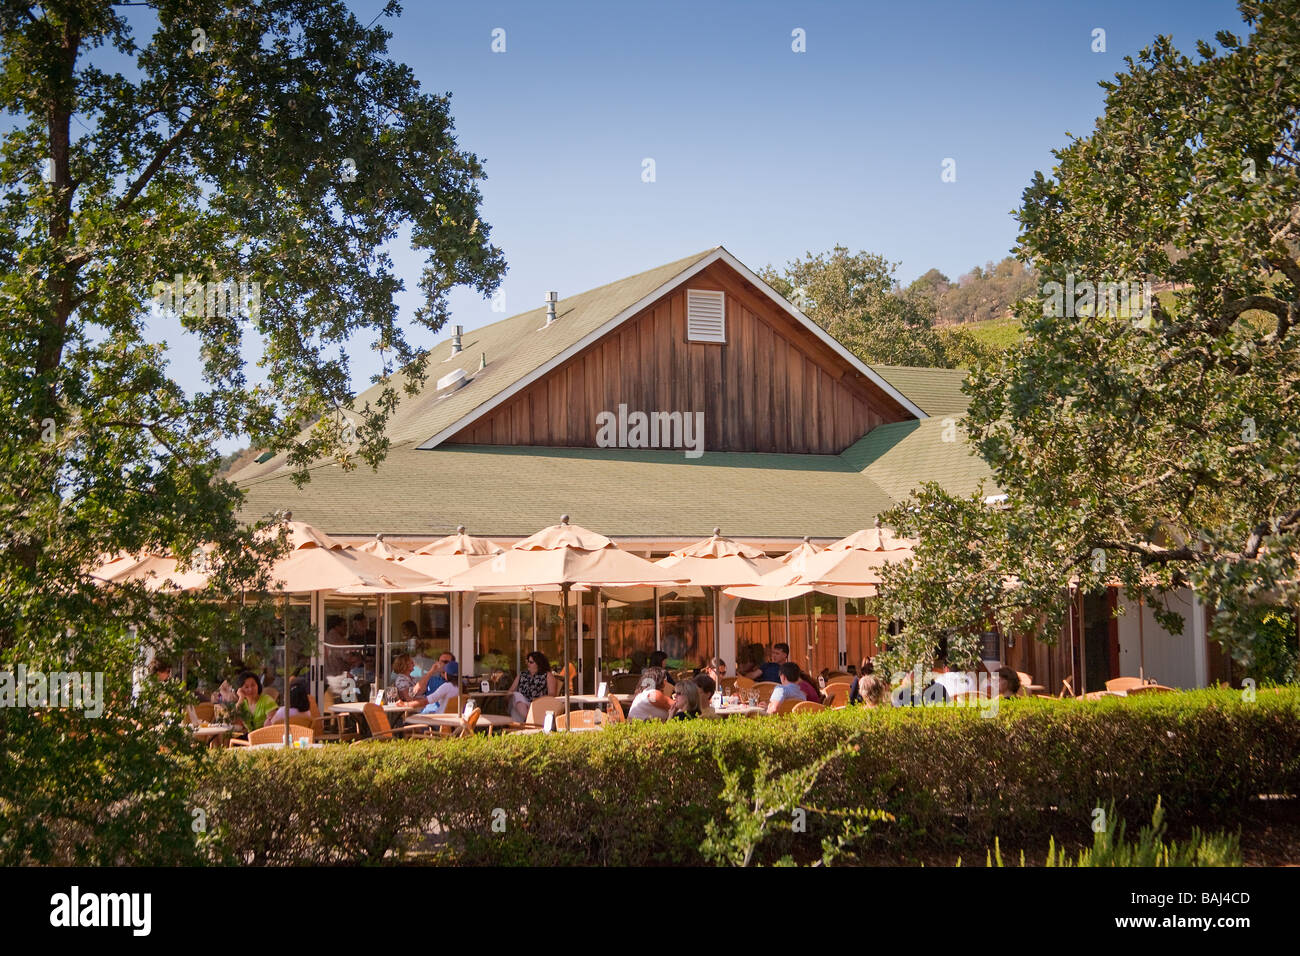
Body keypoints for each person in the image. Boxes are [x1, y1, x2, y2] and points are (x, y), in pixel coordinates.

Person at [507, 650, 560, 722]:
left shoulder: (547, 675)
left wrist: (538, 700)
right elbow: (511, 690)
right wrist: (505, 698)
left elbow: (552, 694)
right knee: (516, 696)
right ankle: (529, 718)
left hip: (537, 704)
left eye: (531, 662)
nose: (528, 664)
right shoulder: (522, 674)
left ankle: (524, 723)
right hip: (522, 703)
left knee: (516, 710)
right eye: (528, 661)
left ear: (538, 663)